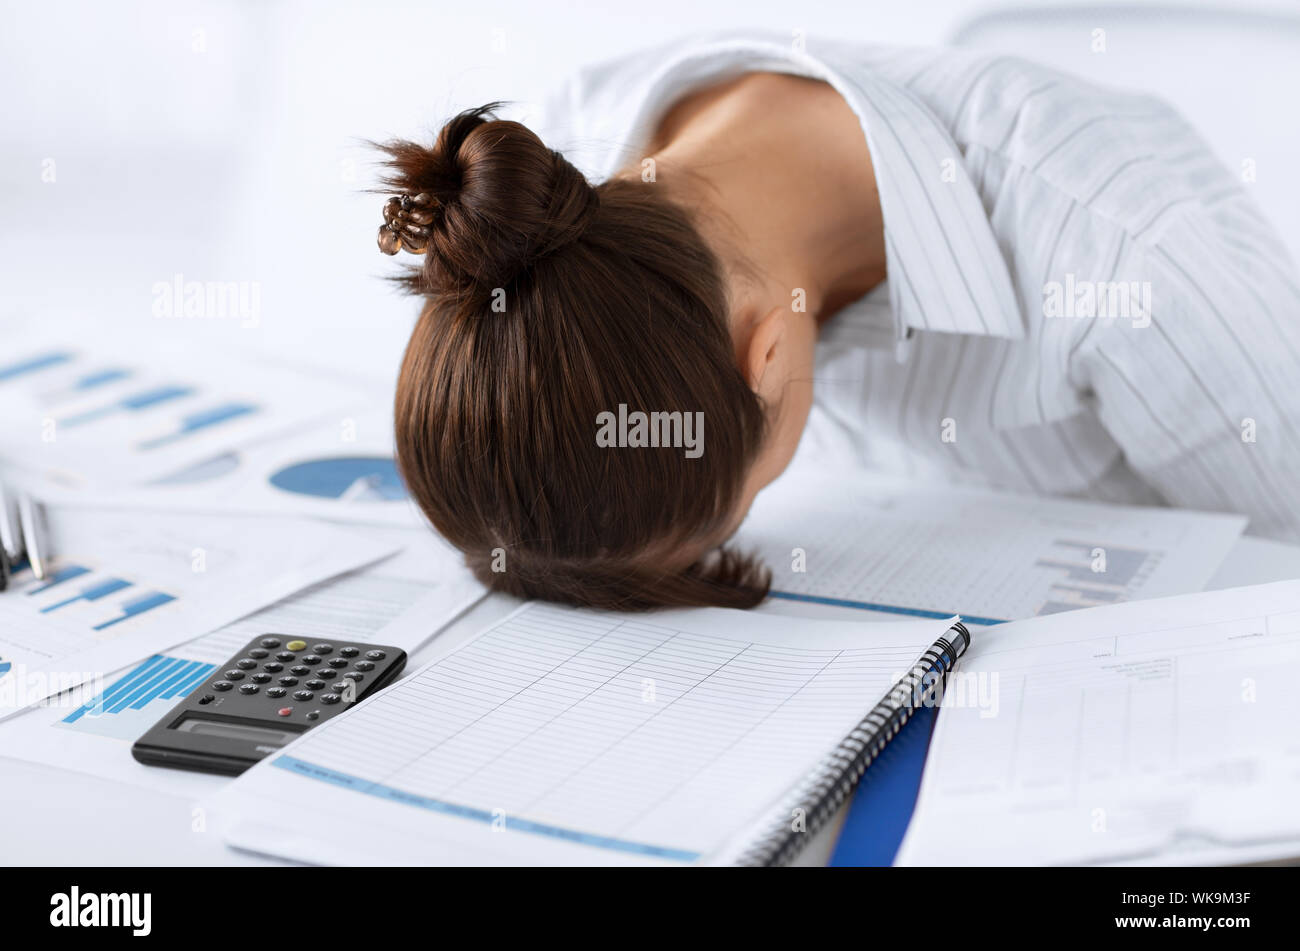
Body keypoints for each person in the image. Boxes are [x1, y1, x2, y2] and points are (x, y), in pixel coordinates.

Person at [376, 33, 1300, 609]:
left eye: (739, 510)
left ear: (766, 354)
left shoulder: (1126, 245)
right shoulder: (543, 201)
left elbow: (1287, 553)